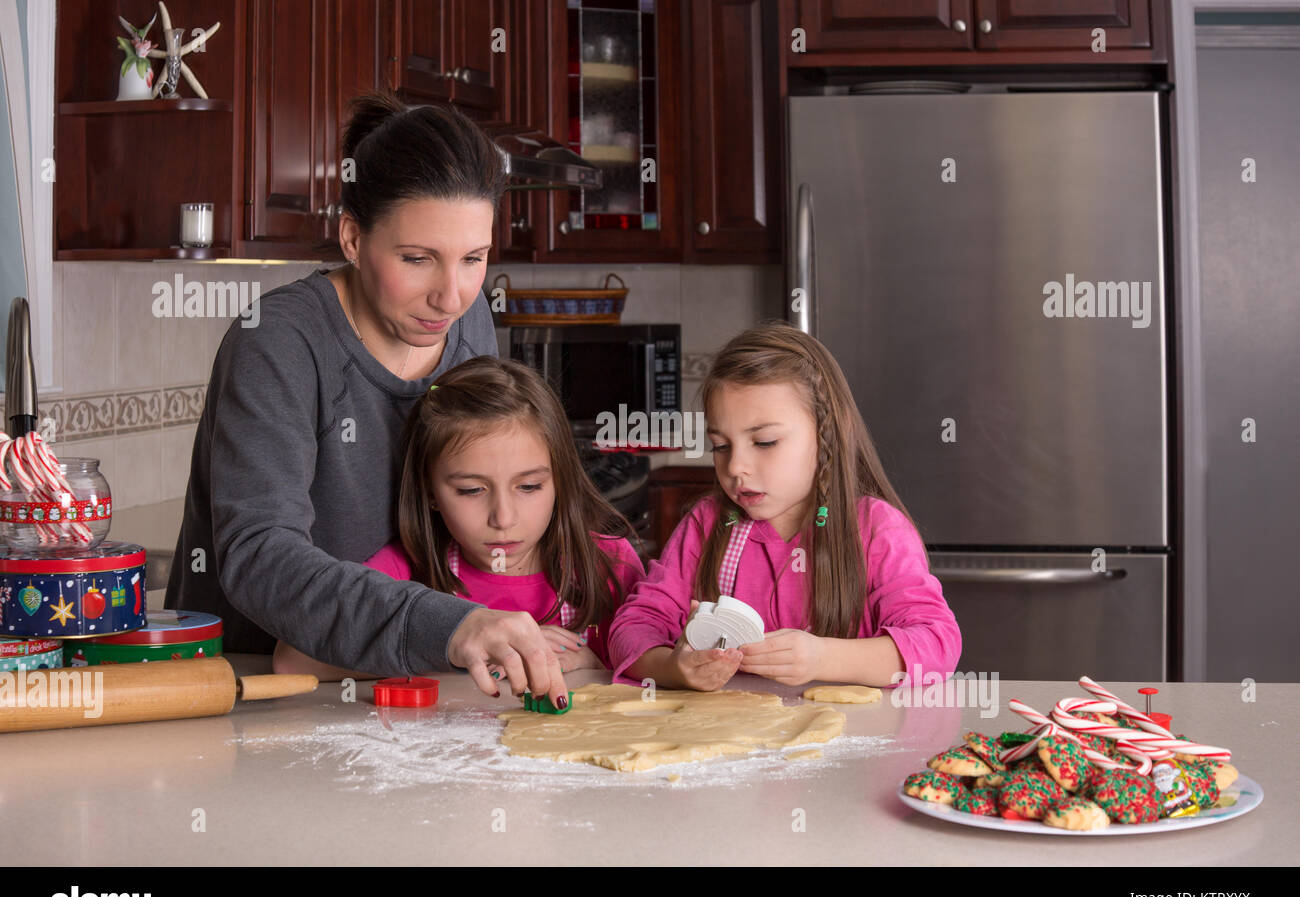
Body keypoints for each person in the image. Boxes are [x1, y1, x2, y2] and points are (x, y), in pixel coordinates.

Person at [165, 90, 569, 706]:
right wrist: (450, 624)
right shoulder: (278, 340)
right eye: (417, 259)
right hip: (253, 692)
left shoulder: (470, 322)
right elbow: (260, 556)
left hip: (404, 685)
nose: (451, 294)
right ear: (352, 238)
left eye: (474, 258)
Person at [608, 323, 962, 691]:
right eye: (721, 445)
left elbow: (937, 647)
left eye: (764, 442)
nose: (735, 468)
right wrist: (673, 668)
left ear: (825, 437)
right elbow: (633, 627)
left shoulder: (875, 530)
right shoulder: (709, 524)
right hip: (734, 743)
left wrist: (823, 658)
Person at [272, 358, 646, 683]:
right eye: (471, 490)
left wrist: (595, 667)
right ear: (431, 491)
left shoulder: (610, 564)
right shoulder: (408, 570)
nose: (503, 518)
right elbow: (293, 661)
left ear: (560, 481)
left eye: (529, 486)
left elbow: (656, 668)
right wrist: (448, 645)